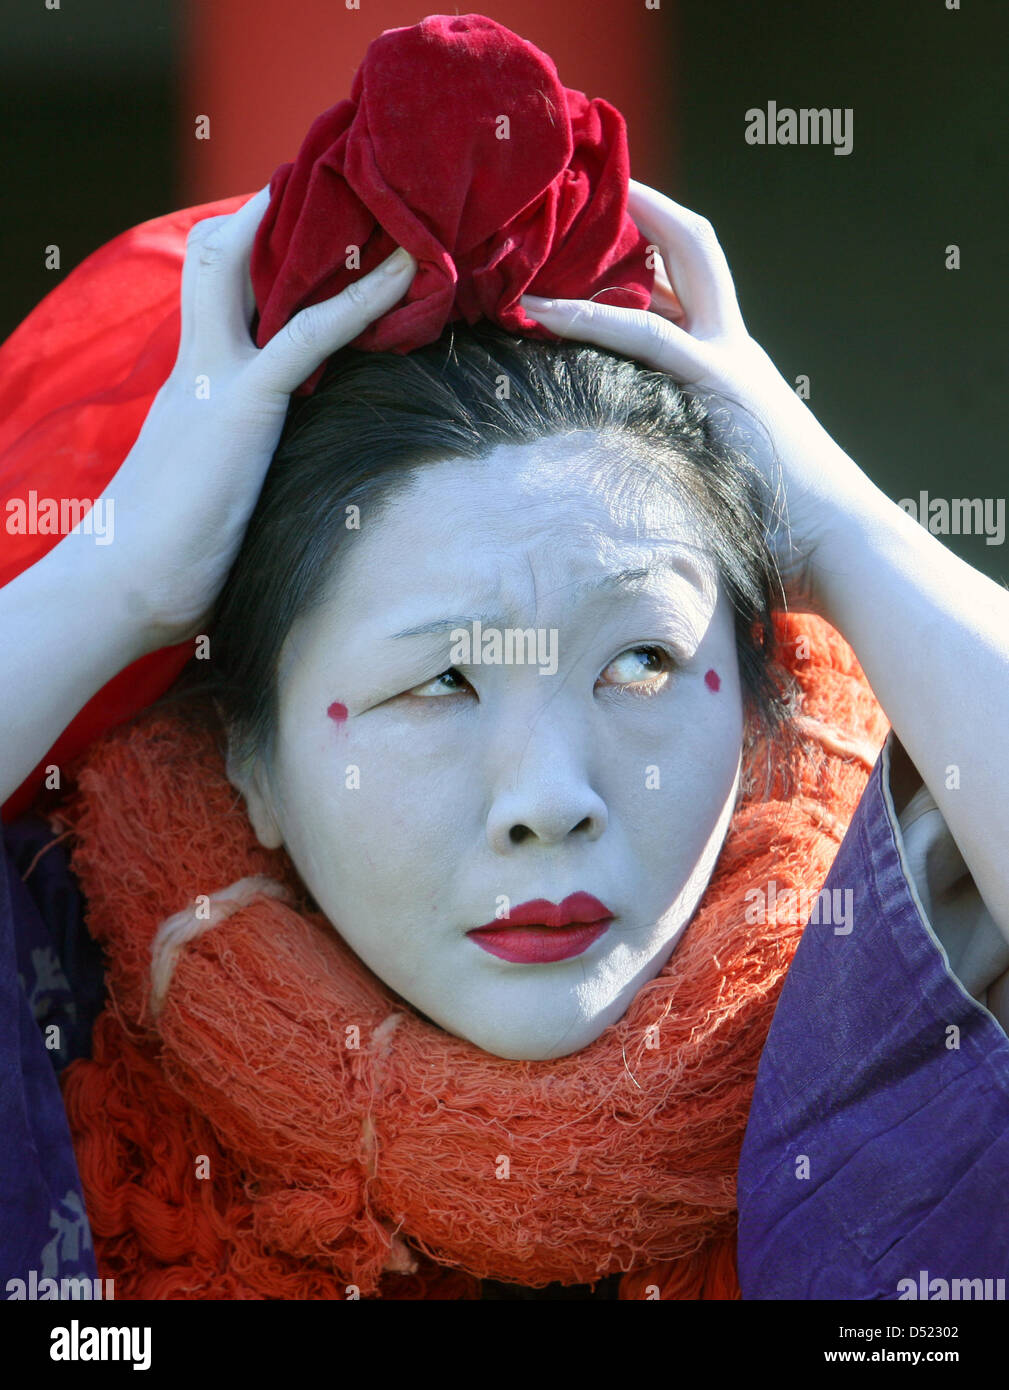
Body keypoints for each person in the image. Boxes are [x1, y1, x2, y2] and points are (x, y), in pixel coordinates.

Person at [3, 15, 1007, 1302]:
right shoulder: (81, 1058)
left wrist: (847, 532)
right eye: (440, 683)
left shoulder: (909, 996)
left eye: (641, 665)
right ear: (247, 753)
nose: (549, 799)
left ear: (757, 707)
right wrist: (115, 582)